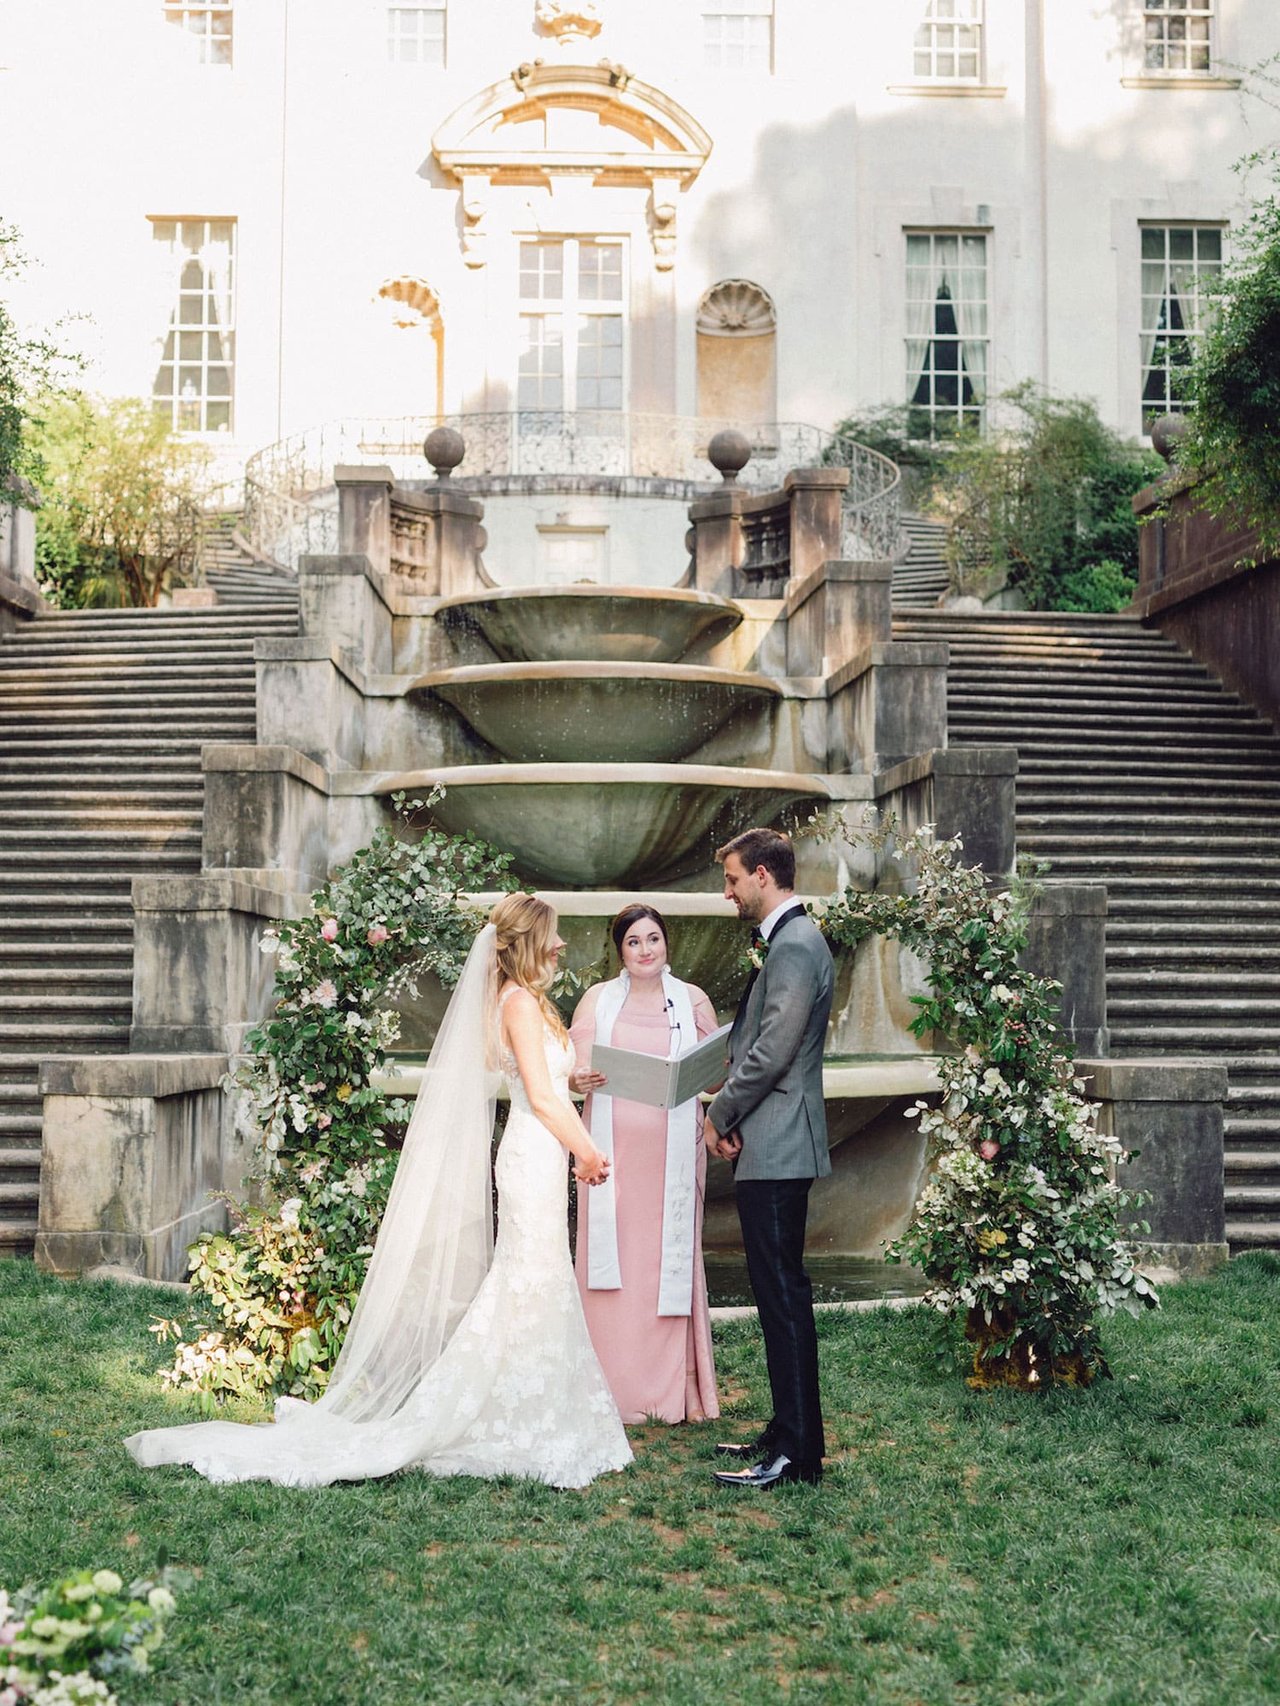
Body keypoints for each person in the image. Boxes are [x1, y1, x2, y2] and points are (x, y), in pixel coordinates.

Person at [124, 893, 633, 1490]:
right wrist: (589, 1151)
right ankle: (501, 1409)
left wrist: (576, 1079)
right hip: (532, 1151)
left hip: (545, 1152)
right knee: (530, 1275)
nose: (561, 944)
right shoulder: (518, 1003)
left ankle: (528, 1404)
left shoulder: (534, 1002)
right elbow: (542, 1100)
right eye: (553, 935)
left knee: (536, 1277)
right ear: (528, 943)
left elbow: (546, 1081)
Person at [703, 828, 834, 1491]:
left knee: (782, 1297)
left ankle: (798, 1455)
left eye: (731, 880)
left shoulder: (794, 945)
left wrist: (719, 1114)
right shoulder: (786, 943)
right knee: (776, 1294)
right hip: (771, 1141)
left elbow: (774, 1051)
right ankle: (787, 1432)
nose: (727, 893)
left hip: (781, 1144)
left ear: (761, 875)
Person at [568, 904, 722, 1425]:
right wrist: (578, 1080)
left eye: (653, 938)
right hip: (613, 1154)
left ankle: (671, 1391)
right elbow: (573, 1070)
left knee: (665, 1264)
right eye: (634, 942)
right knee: (612, 1265)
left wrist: (713, 1073)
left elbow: (718, 1078)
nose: (645, 950)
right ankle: (607, 1387)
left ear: (666, 944)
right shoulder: (597, 1001)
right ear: (620, 950)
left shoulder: (692, 1000)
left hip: (672, 1153)